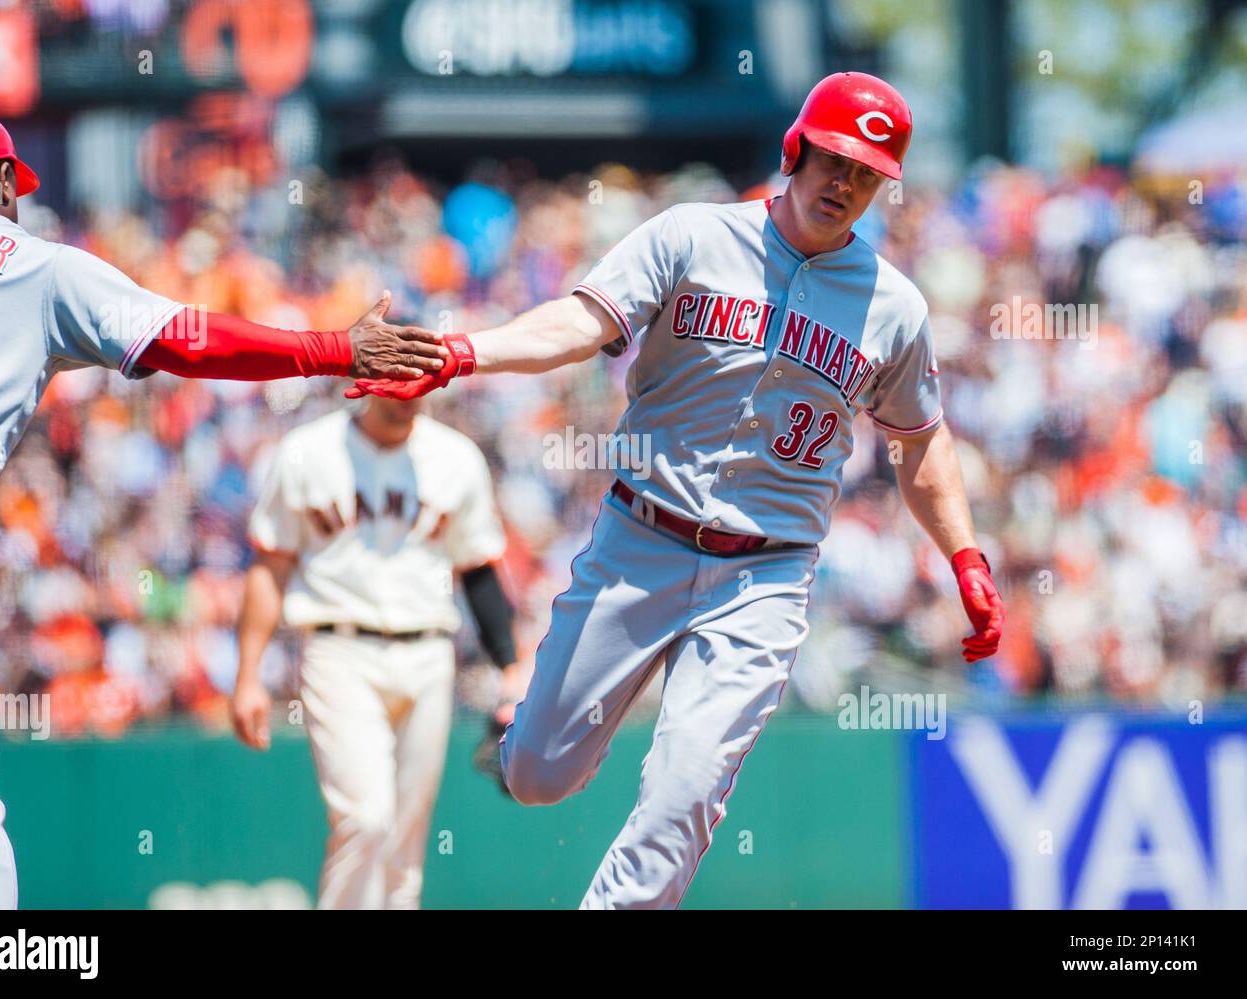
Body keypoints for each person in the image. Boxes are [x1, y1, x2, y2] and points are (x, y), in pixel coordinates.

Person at [347, 72, 1007, 909]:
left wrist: (967, 556)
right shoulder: (694, 236)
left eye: (868, 171)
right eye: (835, 158)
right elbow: (580, 323)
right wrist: (462, 352)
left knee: (685, 792)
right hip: (641, 540)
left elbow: (922, 441)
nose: (845, 182)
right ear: (796, 148)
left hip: (765, 574)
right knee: (543, 773)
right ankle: (516, 736)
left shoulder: (893, 308)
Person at [0, 105, 441, 909]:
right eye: (14, 188)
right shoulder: (35, 265)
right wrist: (336, 348)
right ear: (1, 181)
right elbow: (187, 337)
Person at [230, 393, 519, 909]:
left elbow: (477, 568)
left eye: (419, 384)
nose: (409, 397)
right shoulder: (307, 451)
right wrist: (248, 673)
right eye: (395, 382)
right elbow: (269, 563)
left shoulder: (456, 457)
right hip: (337, 650)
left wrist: (511, 664)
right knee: (364, 819)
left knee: (404, 846)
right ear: (362, 382)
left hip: (430, 653)